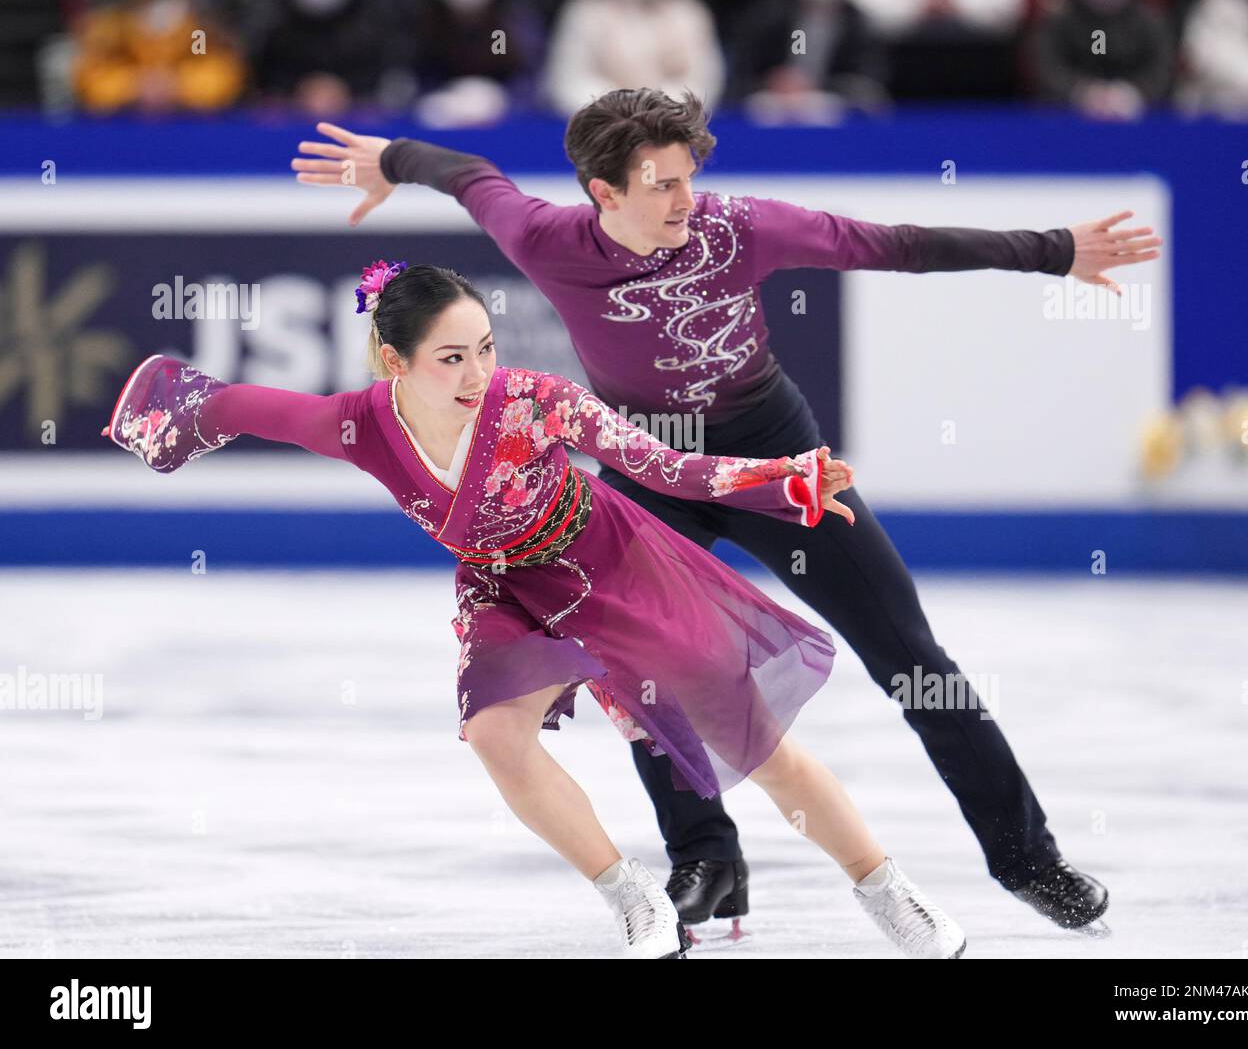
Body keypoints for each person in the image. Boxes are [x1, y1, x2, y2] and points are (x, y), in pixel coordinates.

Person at [292, 88, 1160, 940]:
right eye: (661, 184)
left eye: (688, 179)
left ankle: (1028, 859)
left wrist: (1052, 251)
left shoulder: (738, 228)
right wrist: (394, 161)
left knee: (910, 656)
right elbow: (472, 173)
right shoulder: (545, 238)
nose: (685, 200)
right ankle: (706, 860)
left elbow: (890, 243)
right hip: (648, 468)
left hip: (772, 457)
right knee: (641, 673)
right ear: (605, 194)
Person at [101, 262, 968, 960]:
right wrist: (168, 417)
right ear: (394, 363)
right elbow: (243, 405)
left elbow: (664, 468)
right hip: (501, 584)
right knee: (492, 732)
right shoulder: (360, 425)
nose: (478, 372)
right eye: (452, 358)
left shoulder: (534, 400)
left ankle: (887, 891)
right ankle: (630, 898)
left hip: (611, 561)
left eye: (484, 346)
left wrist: (778, 481)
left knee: (751, 739)